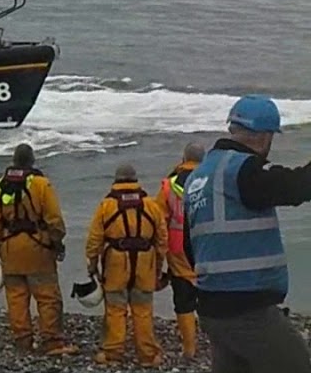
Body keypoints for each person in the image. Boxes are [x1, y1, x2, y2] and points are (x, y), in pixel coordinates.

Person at [183, 95, 311, 372]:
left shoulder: (198, 177)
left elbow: (188, 245)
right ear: (265, 136)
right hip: (247, 308)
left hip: (211, 307)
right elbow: (296, 186)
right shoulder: (242, 170)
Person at [0, 143, 76, 355]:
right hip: (38, 248)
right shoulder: (42, 185)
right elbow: (55, 220)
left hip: (9, 249)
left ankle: (22, 340)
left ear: (14, 161)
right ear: (32, 161)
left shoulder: (0, 185)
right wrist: (57, 242)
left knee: (16, 297)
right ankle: (52, 342)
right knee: (47, 296)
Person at [85, 163, 167, 367]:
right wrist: (157, 267)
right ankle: (148, 356)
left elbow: (95, 238)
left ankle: (113, 353)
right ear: (135, 180)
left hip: (115, 263)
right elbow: (162, 239)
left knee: (115, 309)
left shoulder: (107, 205)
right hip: (145, 262)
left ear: (116, 180)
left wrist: (92, 264)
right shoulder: (151, 205)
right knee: (143, 310)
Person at [157, 141, 204, 360]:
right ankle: (218, 342)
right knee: (212, 299)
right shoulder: (211, 180)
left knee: (183, 301)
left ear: (183, 158)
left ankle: (189, 348)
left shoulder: (169, 185)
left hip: (178, 250)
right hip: (208, 247)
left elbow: (158, 220)